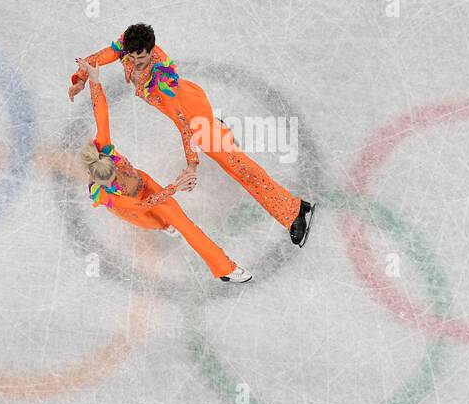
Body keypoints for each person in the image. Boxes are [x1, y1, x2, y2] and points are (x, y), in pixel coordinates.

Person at [68, 22, 316, 247]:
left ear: (151, 50)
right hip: (193, 100)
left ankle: (294, 212)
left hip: (194, 117)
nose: (135, 61)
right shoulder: (130, 44)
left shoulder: (163, 81)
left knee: (240, 168)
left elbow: (184, 124)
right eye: (131, 56)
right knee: (231, 158)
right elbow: (106, 54)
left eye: (140, 57)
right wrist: (80, 78)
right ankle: (222, 133)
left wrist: (192, 163)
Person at [77, 57, 252, 283]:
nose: (114, 180)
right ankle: (165, 226)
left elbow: (101, 113)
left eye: (113, 173)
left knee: (185, 225)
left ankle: (224, 268)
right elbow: (142, 205)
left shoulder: (104, 147)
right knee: (157, 223)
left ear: (109, 160)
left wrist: (94, 81)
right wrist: (175, 187)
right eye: (109, 181)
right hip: (136, 209)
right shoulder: (110, 198)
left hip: (147, 185)